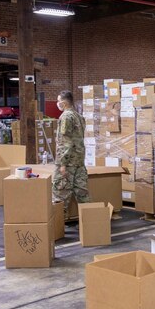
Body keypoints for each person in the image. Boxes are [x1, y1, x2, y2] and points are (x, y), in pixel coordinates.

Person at [53, 90, 90, 218]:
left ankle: (57, 228)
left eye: (58, 101)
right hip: (79, 161)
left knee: (60, 194)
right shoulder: (79, 117)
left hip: (68, 162)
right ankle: (89, 225)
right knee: (82, 194)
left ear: (63, 103)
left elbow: (66, 142)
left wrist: (62, 163)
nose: (57, 104)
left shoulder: (66, 117)